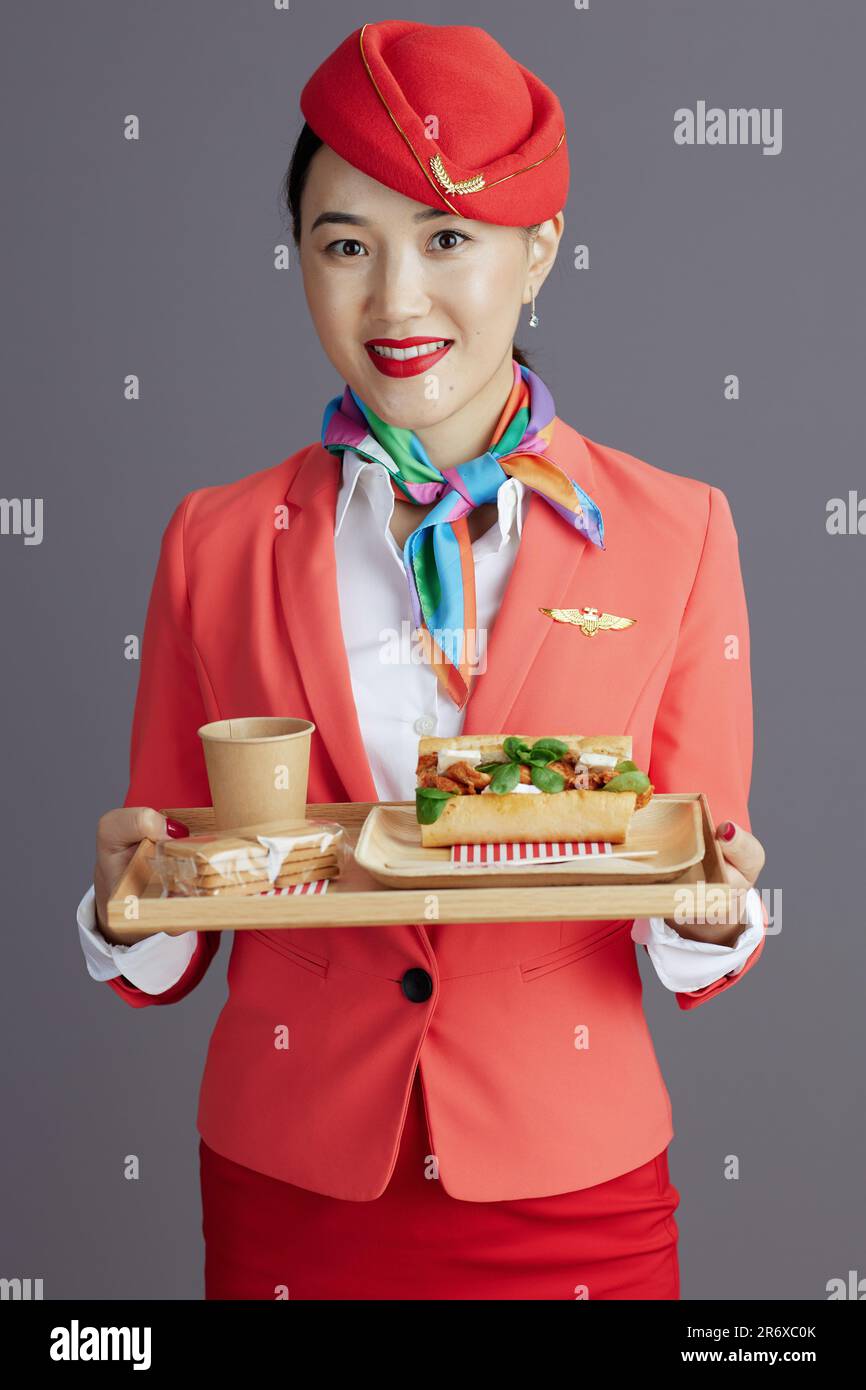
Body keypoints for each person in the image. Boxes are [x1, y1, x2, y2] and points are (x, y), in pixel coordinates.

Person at [76, 20, 767, 1300]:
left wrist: (712, 911)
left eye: (446, 239)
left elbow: (696, 891)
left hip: (571, 1189)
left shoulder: (680, 533)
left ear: (537, 252)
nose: (394, 301)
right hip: (294, 1190)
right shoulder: (213, 543)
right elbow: (177, 913)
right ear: (297, 261)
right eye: (346, 246)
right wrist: (124, 904)